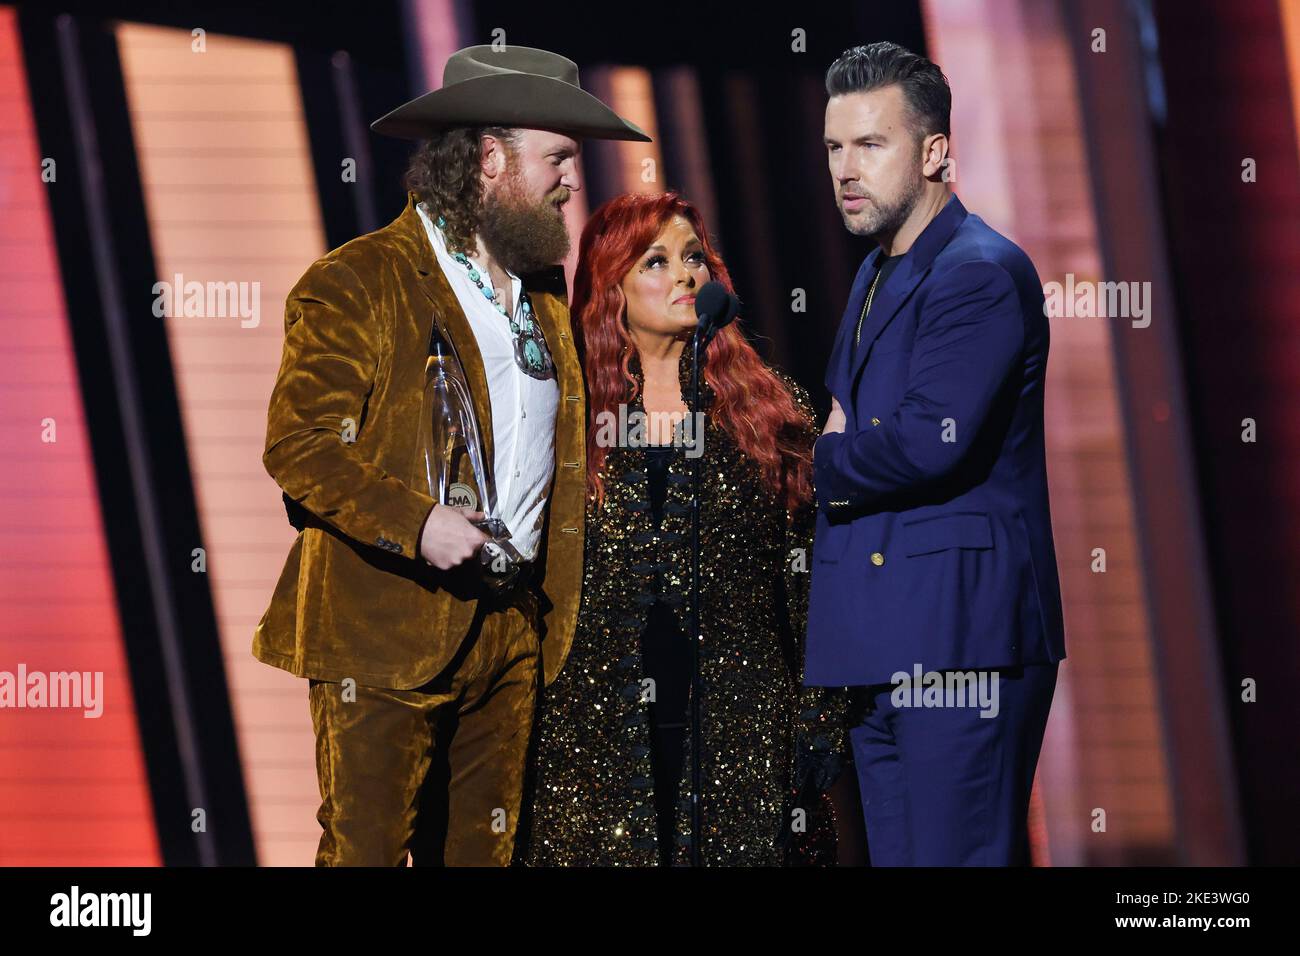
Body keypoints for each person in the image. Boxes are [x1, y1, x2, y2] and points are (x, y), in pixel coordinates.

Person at [251, 45, 650, 865]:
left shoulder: (542, 292)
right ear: (492, 158)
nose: (573, 181)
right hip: (385, 626)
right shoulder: (359, 279)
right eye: (559, 158)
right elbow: (299, 445)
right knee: (365, 853)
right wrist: (418, 521)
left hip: (511, 632)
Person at [524, 191, 847, 866]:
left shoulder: (768, 412)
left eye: (694, 257)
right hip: (597, 736)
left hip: (742, 728)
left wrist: (821, 713)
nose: (684, 275)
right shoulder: (567, 419)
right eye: (656, 261)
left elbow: (820, 574)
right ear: (610, 287)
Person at [806, 41, 1066, 866]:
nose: (847, 169)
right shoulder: (877, 270)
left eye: (870, 145)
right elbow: (856, 421)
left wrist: (807, 466)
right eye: (835, 147)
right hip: (884, 633)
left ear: (935, 152)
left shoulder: (979, 271)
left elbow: (927, 444)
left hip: (961, 633)